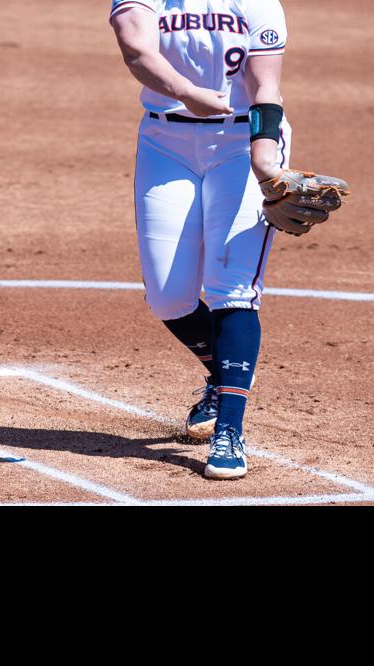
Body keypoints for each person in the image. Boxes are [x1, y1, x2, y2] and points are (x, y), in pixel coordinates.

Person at [108, 0, 346, 480]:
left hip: (242, 142)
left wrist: (266, 165)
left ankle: (229, 432)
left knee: (231, 286)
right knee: (168, 296)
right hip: (164, 143)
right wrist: (188, 92)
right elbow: (136, 50)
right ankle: (224, 373)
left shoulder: (256, 3)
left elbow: (266, 86)